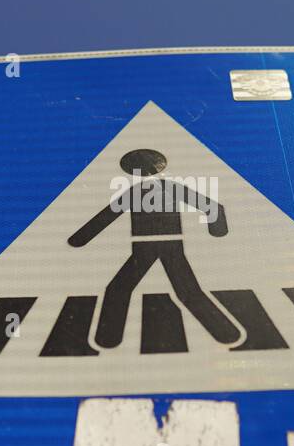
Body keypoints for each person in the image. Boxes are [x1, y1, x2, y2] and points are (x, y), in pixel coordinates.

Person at [69, 148, 239, 349]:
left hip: (160, 246)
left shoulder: (160, 188)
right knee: (182, 291)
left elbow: (212, 206)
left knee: (125, 289)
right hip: (150, 247)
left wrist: (79, 240)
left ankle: (227, 333)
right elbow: (106, 216)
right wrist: (78, 240)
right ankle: (108, 339)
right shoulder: (143, 190)